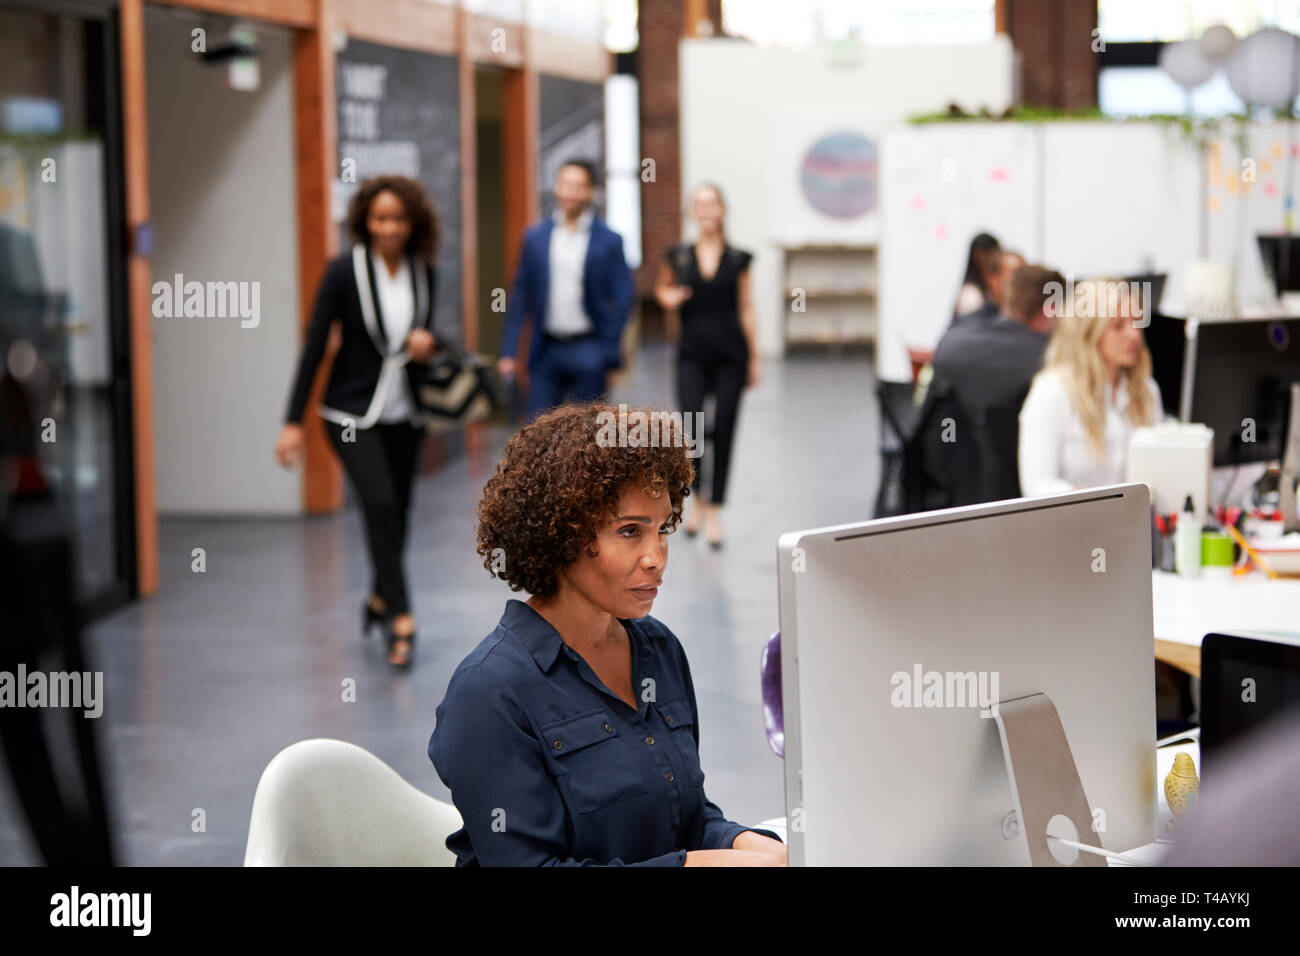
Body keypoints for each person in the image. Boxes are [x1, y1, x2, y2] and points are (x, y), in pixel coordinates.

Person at [428, 403, 786, 866]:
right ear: (562, 534)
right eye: (631, 532)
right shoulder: (489, 692)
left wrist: (749, 845)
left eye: (662, 529)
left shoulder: (658, 650)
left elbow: (685, 820)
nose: (656, 556)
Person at [275, 175, 440, 669]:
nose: (389, 228)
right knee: (380, 502)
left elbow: (425, 337)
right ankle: (402, 617)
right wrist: (292, 422)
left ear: (413, 224)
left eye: (398, 219)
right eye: (379, 219)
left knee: (400, 511)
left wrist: (426, 348)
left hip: (404, 412)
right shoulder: (342, 271)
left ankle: (378, 596)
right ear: (365, 222)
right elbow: (314, 346)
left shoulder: (423, 270)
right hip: (350, 412)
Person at [653, 183, 758, 548]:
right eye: (699, 204)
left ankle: (716, 507)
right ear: (691, 212)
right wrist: (669, 297)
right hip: (692, 353)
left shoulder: (739, 259)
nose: (706, 210)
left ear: (723, 209)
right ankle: (697, 502)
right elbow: (661, 289)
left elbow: (746, 307)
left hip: (731, 353)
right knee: (694, 430)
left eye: (712, 203)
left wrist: (755, 358)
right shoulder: (679, 256)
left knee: (726, 428)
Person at [497, 159, 634, 420]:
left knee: (587, 436)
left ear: (590, 191)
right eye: (565, 184)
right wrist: (509, 352)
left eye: (578, 186)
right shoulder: (536, 238)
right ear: (557, 188)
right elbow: (520, 296)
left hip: (589, 347)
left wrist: (608, 347)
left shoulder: (609, 241)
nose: (570, 192)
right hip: (546, 349)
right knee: (539, 433)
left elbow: (624, 296)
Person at [931, 264, 1063, 503]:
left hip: (951, 482)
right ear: (1051, 309)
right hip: (1013, 494)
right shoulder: (1047, 362)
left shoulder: (953, 341)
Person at [1018, 277, 1162, 496]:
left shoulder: (1146, 390)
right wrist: (1094, 501)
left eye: (1137, 321)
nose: (1134, 334)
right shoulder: (1051, 392)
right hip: (1074, 525)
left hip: (1133, 524)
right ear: (1088, 333)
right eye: (1118, 325)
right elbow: (1037, 486)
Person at [953, 250, 1024, 329]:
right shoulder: (974, 316)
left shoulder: (1030, 319)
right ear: (994, 280)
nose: (1021, 281)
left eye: (1024, 275)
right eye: (1014, 274)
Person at [952, 232, 1001, 319]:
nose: (995, 260)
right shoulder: (970, 296)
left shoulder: (988, 293)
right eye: (991, 254)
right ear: (977, 255)